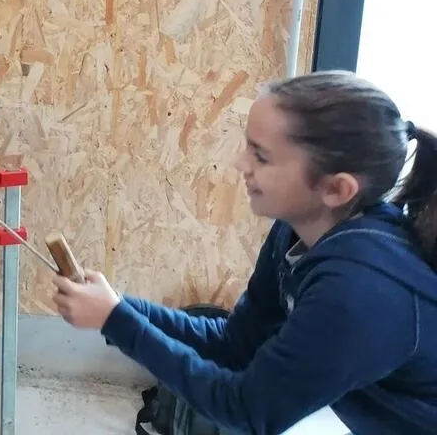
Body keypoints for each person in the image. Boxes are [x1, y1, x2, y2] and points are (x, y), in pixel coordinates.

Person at [53, 71, 437, 435]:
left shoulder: (360, 293)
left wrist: (116, 320)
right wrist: (119, 308)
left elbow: (248, 411)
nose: (241, 164)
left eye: (262, 156)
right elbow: (235, 346)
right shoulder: (295, 228)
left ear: (336, 189)